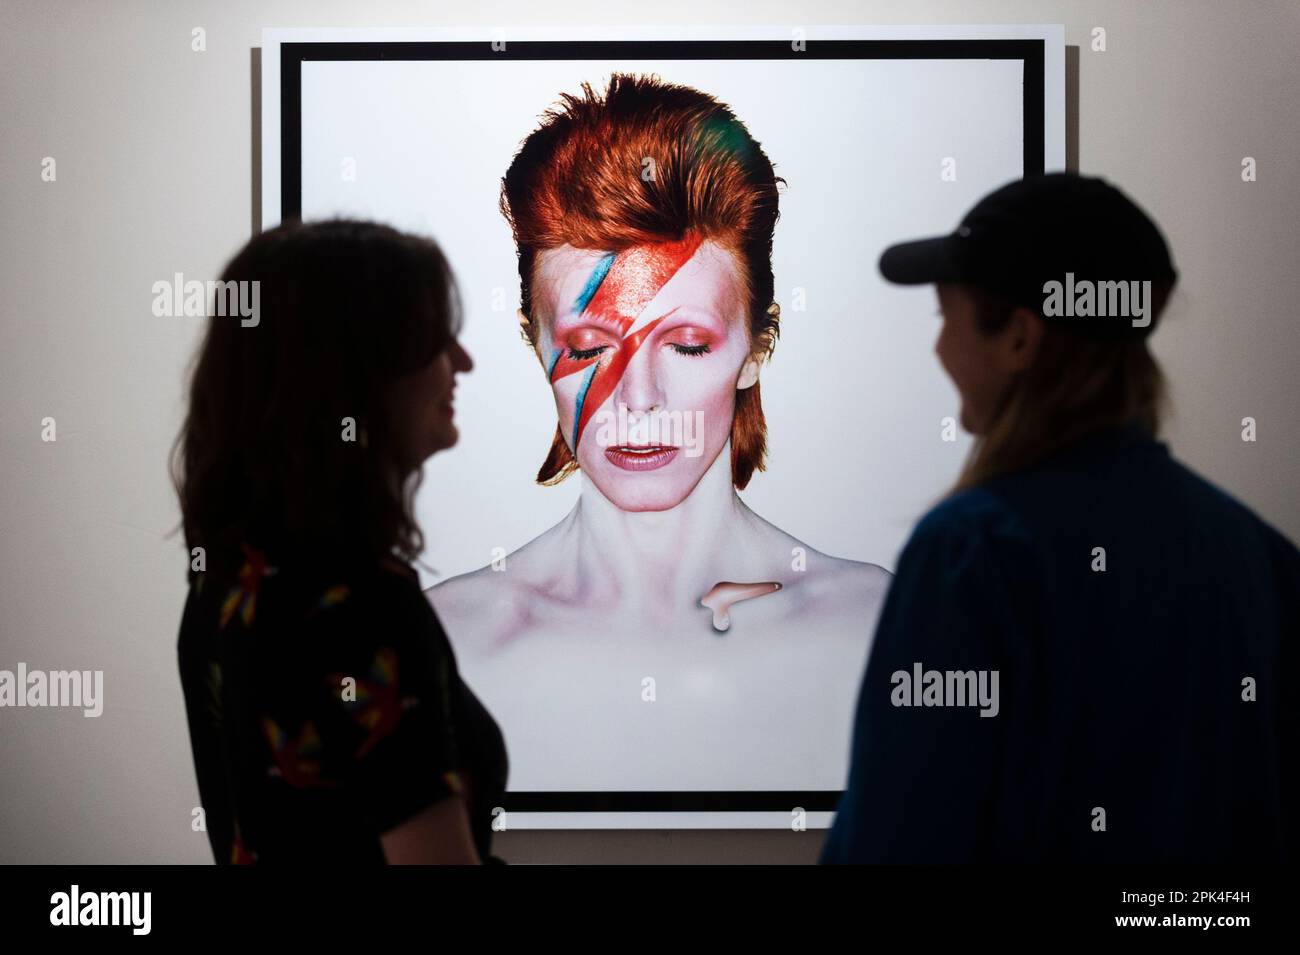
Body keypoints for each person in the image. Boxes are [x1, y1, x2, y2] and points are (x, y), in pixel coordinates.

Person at [428, 74, 890, 794]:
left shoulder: (878, 628)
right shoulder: (450, 641)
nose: (637, 401)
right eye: (588, 347)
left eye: (685, 344)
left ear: (757, 346)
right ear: (536, 344)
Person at [822, 172, 1299, 863]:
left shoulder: (974, 552)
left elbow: (899, 837)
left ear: (1019, 338)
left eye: (944, 315)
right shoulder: (1256, 554)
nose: (938, 347)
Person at [172, 219, 505, 864]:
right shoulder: (365, 608)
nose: (461, 362)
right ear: (358, 374)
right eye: (434, 340)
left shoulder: (226, 588)